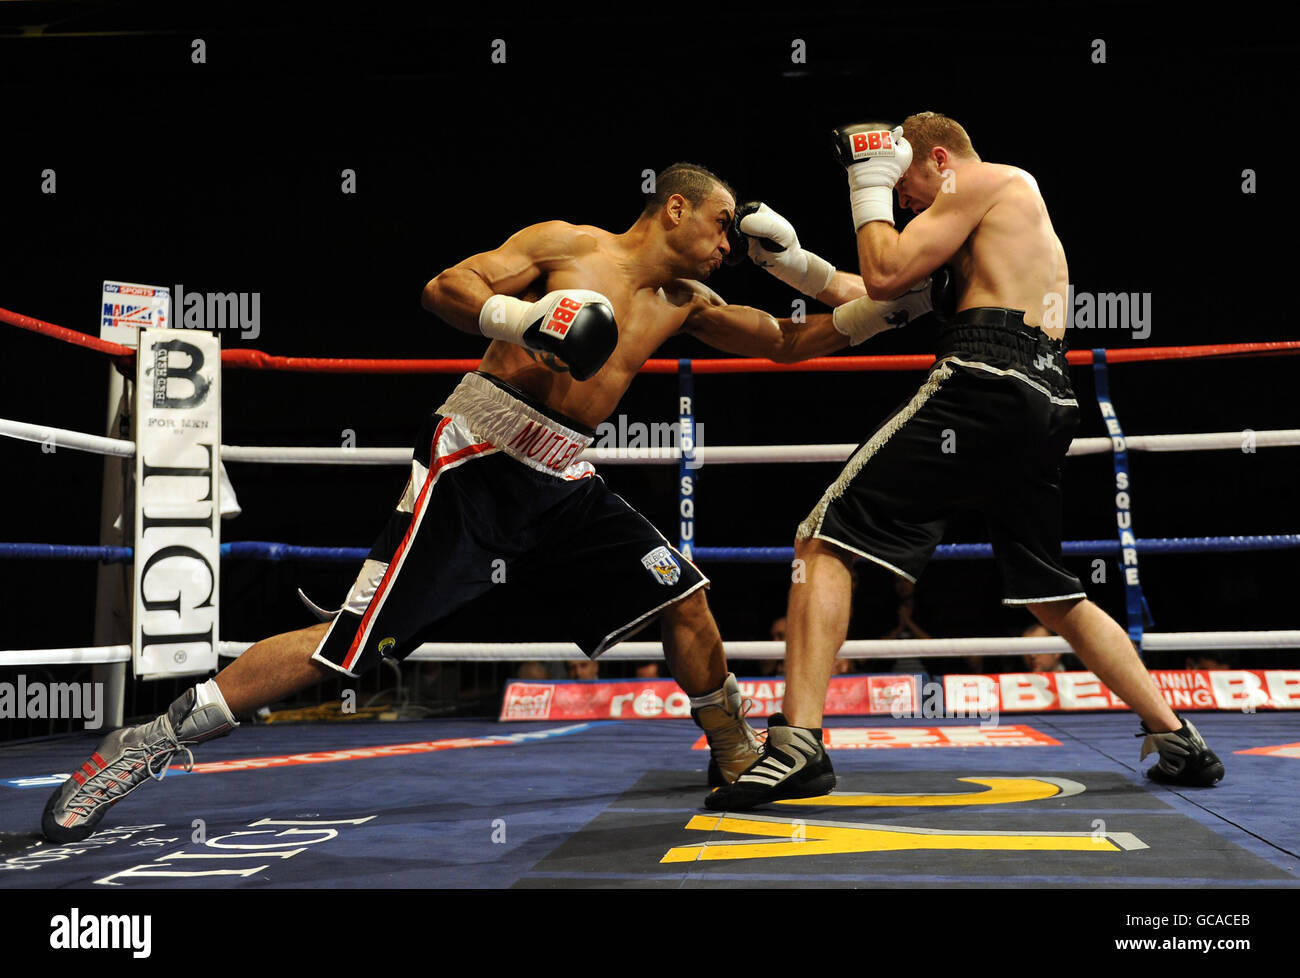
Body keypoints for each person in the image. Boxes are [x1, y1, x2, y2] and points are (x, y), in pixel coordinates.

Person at [42, 163, 935, 844]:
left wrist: (838, 283)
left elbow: (791, 343)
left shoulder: (687, 301)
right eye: (723, 221)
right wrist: (522, 321)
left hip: (566, 475)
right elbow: (447, 287)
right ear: (674, 206)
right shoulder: (568, 245)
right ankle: (148, 742)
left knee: (683, 594)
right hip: (476, 453)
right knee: (346, 653)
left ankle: (733, 748)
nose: (731, 239)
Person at [708, 114, 1225, 810]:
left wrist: (868, 181)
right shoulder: (986, 229)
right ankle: (1178, 740)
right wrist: (788, 262)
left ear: (939, 158)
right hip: (1045, 398)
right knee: (1050, 590)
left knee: (823, 535)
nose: (910, 202)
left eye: (908, 183)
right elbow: (874, 297)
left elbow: (884, 266)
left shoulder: (984, 180)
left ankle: (798, 742)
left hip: (988, 376)